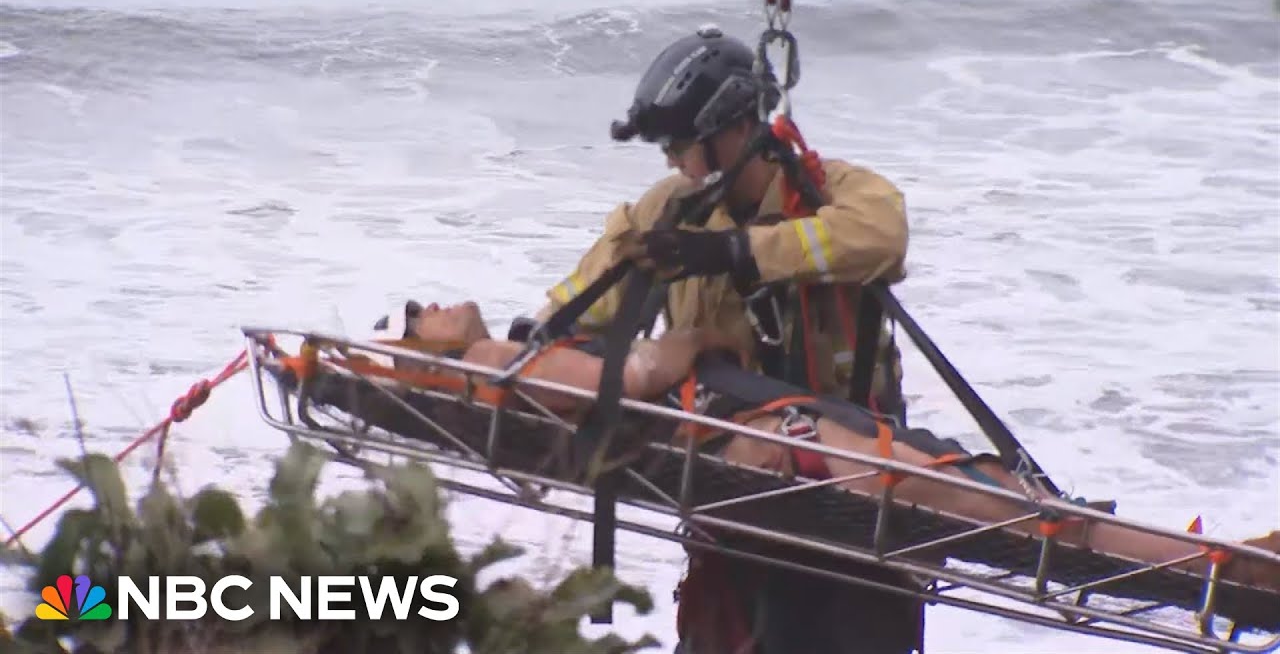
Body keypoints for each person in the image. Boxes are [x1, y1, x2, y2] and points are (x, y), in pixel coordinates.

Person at [395, 301, 1280, 653]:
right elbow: (632, 380)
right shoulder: (493, 360)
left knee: (1027, 516)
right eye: (410, 319)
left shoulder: (504, 357)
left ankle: (1225, 569)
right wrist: (695, 337)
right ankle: (1230, 574)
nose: (427, 306)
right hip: (802, 452)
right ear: (423, 356)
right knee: (1039, 525)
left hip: (797, 447)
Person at [524, 25, 920, 652]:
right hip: (731, 497)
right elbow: (586, 295)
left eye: (683, 145)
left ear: (736, 131)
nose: (672, 161)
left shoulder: (837, 193)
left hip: (848, 505)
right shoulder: (668, 211)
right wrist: (541, 336)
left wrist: (734, 251)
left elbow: (883, 233)